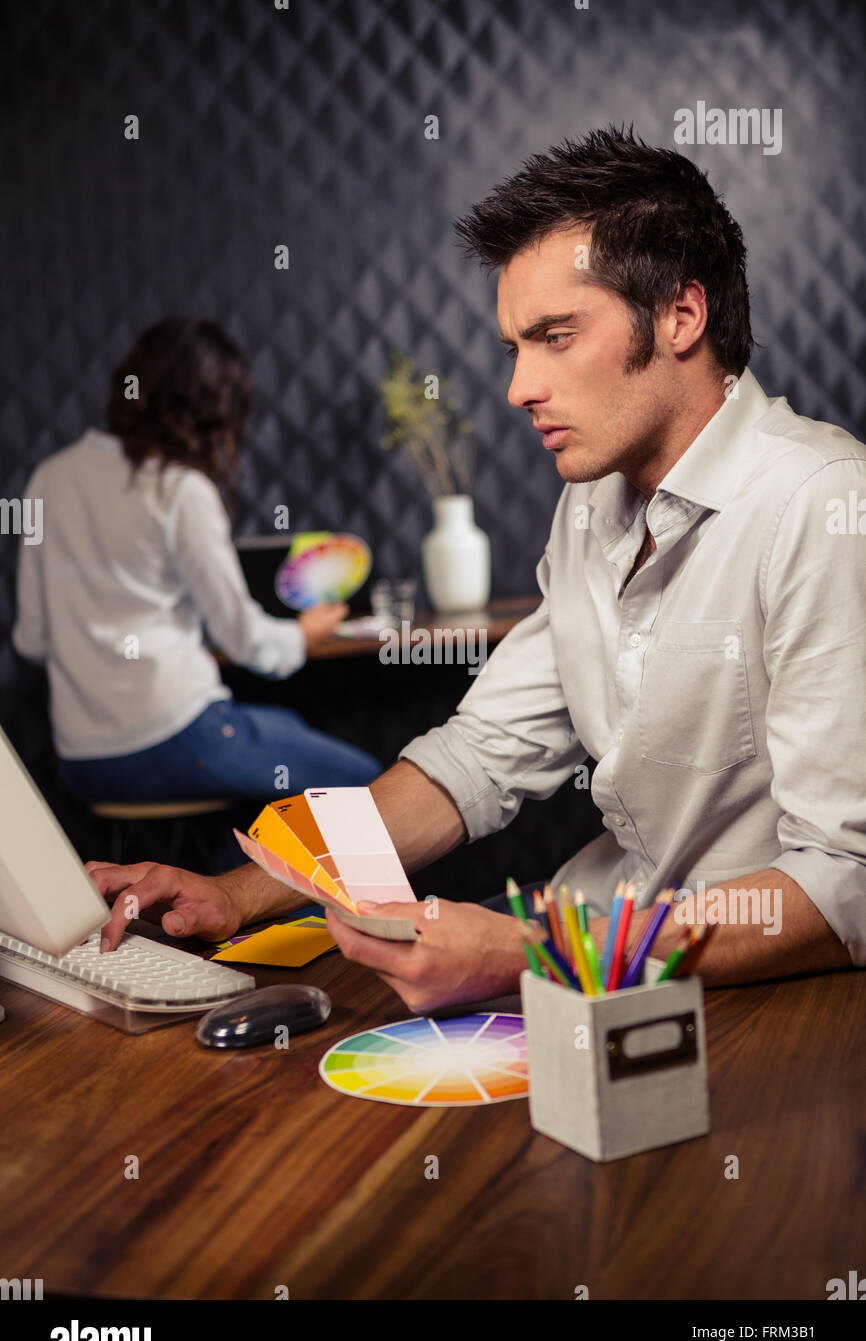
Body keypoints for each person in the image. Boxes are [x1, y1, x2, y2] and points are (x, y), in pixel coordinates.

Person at [88, 127, 865, 1005]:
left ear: (682, 316)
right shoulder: (590, 505)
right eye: (515, 348)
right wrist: (234, 896)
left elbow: (846, 880)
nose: (518, 388)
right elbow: (480, 756)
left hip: (747, 998)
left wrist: (536, 952)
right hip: (590, 941)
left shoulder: (823, 501)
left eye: (556, 337)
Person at [13, 319, 383, 822]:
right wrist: (302, 635)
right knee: (369, 783)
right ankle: (239, 874)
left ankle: (229, 869)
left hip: (82, 761)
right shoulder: (182, 489)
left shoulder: (48, 478)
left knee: (283, 728)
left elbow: (31, 640)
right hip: (176, 739)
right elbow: (244, 639)